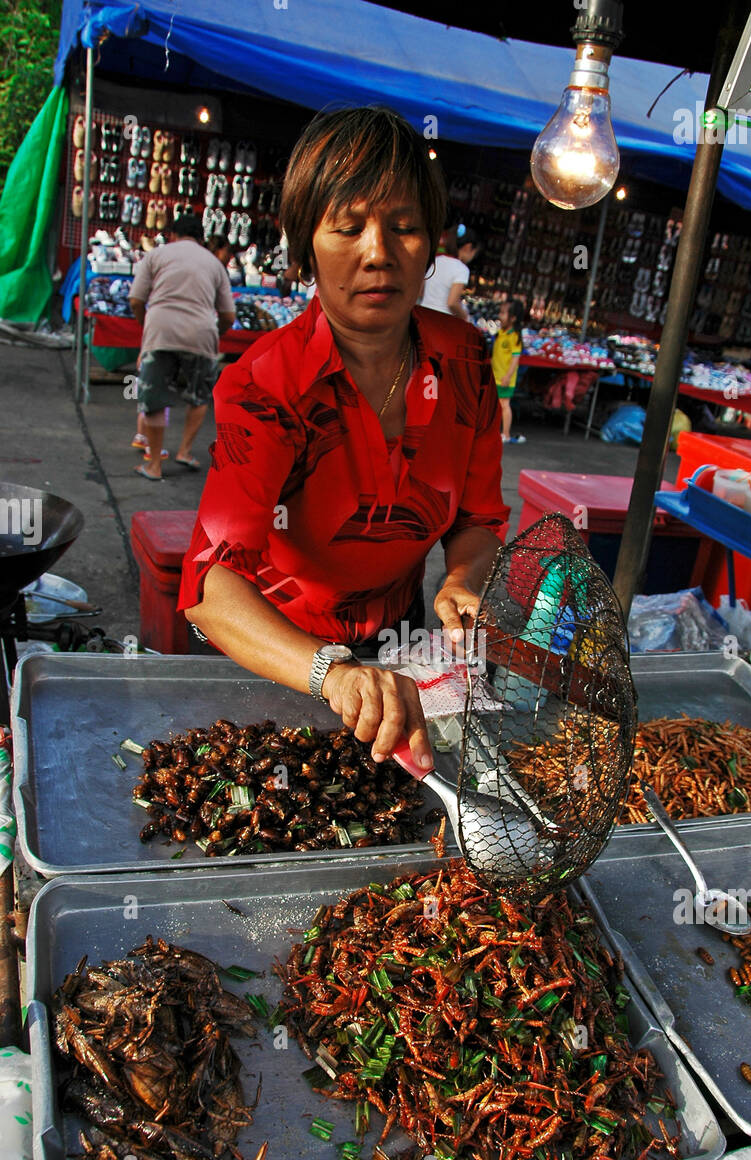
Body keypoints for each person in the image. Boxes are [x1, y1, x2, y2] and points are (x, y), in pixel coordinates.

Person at [179, 107, 508, 773]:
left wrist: (465, 581)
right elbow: (210, 587)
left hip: (402, 634)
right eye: (349, 227)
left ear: (430, 246)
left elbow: (476, 519)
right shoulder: (266, 386)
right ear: (306, 246)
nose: (378, 253)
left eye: (405, 226)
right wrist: (332, 673)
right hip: (280, 648)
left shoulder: (468, 363)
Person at [129, 211, 236, 480]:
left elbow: (135, 299)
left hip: (161, 331)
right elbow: (228, 315)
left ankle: (153, 464)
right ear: (201, 239)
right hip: (201, 334)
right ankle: (185, 451)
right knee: (199, 397)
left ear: (173, 235)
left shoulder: (156, 255)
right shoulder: (214, 263)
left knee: (154, 400)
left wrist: (148, 325)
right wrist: (215, 334)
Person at [419, 228, 480, 320]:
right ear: (468, 247)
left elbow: (420, 292)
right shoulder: (461, 269)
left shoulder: (435, 261)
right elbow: (452, 303)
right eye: (474, 253)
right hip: (441, 321)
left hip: (423, 315)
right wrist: (466, 318)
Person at [492, 299, 526, 444]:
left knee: (504, 404)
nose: (500, 315)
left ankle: (505, 433)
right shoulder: (501, 333)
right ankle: (498, 432)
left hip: (505, 378)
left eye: (504, 313)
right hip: (495, 376)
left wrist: (507, 376)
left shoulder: (514, 336)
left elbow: (515, 359)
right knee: (496, 404)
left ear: (513, 318)